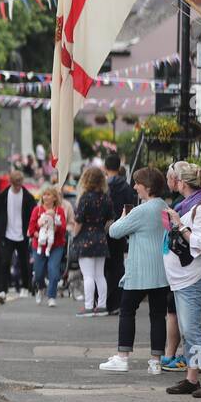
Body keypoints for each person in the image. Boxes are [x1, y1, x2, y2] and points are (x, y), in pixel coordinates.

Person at [98, 167, 171, 374]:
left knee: (127, 311)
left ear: (147, 186)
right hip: (160, 271)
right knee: (158, 316)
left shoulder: (141, 210)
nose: (134, 187)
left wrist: (122, 217)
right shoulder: (164, 208)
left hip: (139, 271)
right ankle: (156, 361)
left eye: (137, 183)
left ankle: (122, 358)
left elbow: (114, 231)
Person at [162, 162, 201, 398]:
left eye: (175, 179)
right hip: (181, 279)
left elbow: (199, 242)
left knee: (193, 330)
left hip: (193, 279)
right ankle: (192, 378)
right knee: (189, 331)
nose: (173, 182)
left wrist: (179, 223)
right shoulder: (188, 204)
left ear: (183, 183)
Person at [73, 166, 112, 317]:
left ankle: (89, 307)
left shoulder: (85, 198)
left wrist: (74, 235)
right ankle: (102, 306)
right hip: (101, 238)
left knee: (88, 275)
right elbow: (110, 218)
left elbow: (78, 221)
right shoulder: (106, 198)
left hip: (85, 239)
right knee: (99, 275)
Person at [103, 153, 137, 316]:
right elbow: (130, 208)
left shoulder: (103, 186)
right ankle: (116, 301)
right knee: (118, 265)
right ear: (119, 167)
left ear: (105, 167)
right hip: (121, 229)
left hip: (104, 230)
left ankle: (103, 300)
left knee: (102, 268)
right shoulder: (126, 187)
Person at [0, 170, 33, 303]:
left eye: (20, 184)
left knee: (24, 263)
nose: (18, 187)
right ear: (10, 183)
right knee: (4, 262)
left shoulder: (27, 197)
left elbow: (33, 215)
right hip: (7, 234)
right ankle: (3, 291)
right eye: (15, 185)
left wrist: (31, 232)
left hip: (23, 235)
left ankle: (25, 287)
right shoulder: (3, 196)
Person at [29, 186, 68, 307]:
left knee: (54, 270)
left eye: (48, 194)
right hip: (39, 245)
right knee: (39, 272)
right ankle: (40, 288)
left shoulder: (59, 211)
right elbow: (31, 228)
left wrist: (55, 228)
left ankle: (51, 296)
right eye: (44, 194)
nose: (45, 197)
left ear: (55, 198)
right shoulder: (37, 210)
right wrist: (39, 235)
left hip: (56, 245)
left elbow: (63, 228)